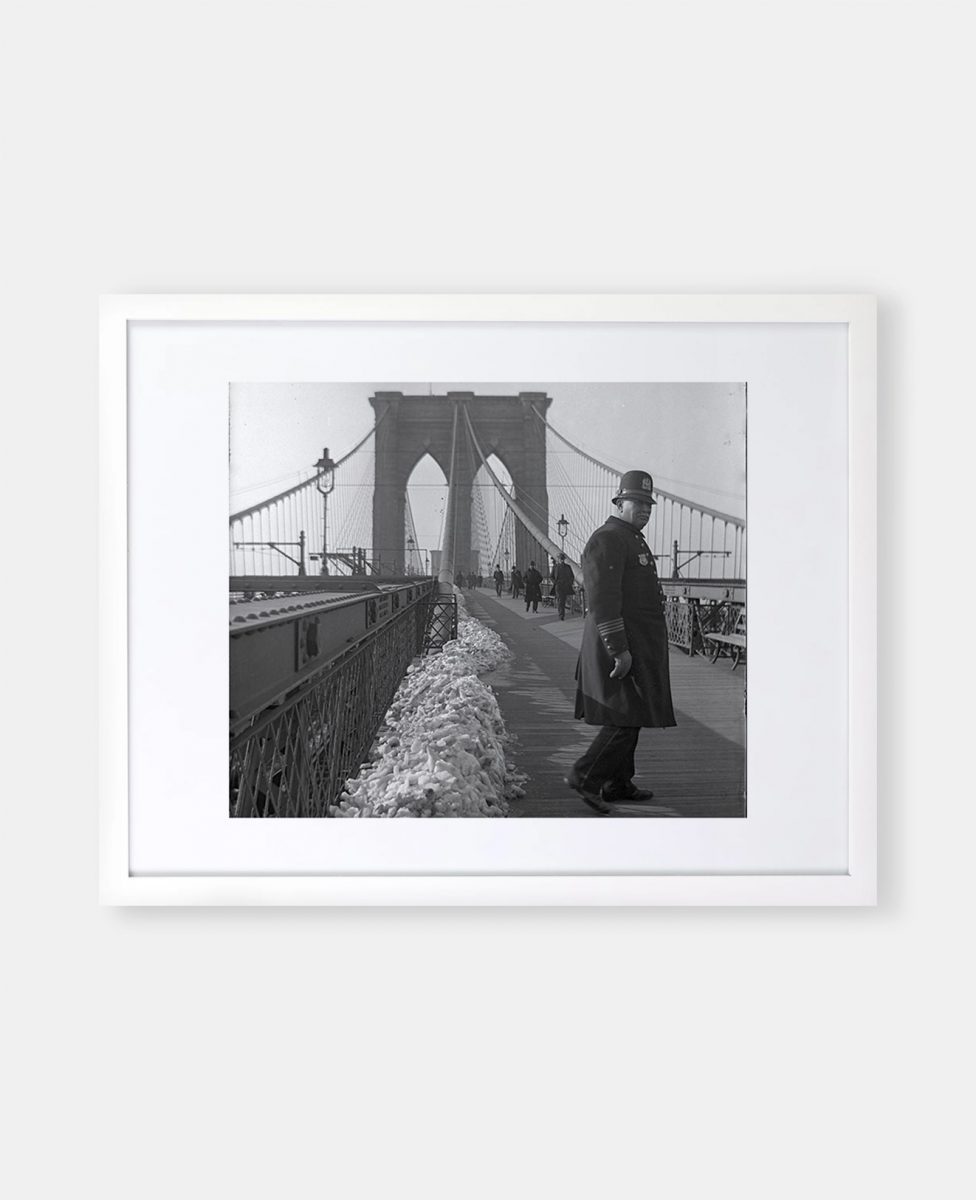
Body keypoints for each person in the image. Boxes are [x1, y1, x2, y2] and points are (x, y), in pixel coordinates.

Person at [567, 470, 676, 814]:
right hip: (618, 646)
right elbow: (603, 600)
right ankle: (584, 776)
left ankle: (618, 782)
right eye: (637, 502)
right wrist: (619, 651)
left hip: (638, 644)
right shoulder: (609, 539)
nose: (645, 509)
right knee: (624, 719)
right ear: (619, 502)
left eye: (648, 504)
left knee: (633, 714)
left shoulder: (629, 537)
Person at [551, 552, 576, 620]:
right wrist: (555, 582)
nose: (561, 560)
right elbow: (551, 577)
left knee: (563, 600)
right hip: (558, 586)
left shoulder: (568, 567)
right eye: (560, 559)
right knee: (560, 600)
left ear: (563, 559)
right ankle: (561, 615)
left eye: (562, 559)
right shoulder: (555, 567)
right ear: (558, 559)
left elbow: (572, 576)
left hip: (566, 586)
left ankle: (562, 614)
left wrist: (569, 583)